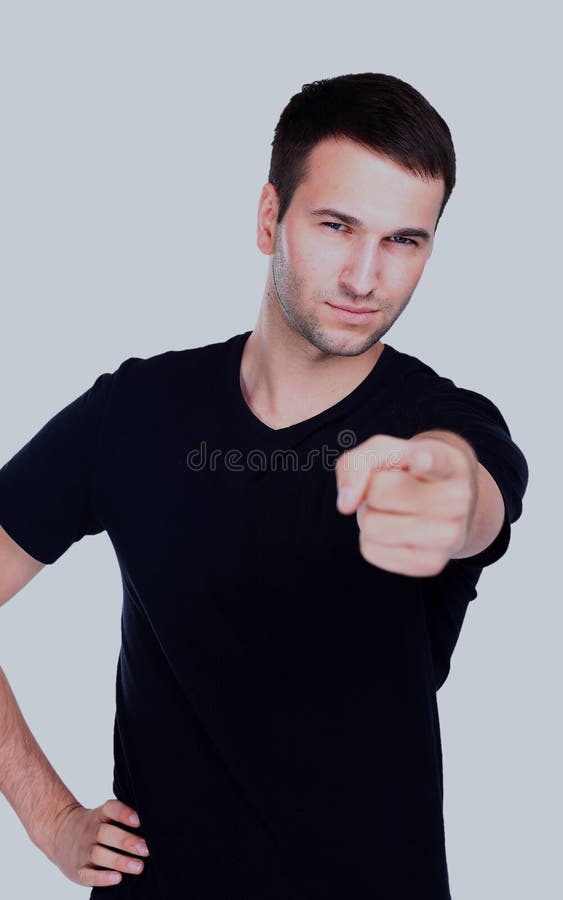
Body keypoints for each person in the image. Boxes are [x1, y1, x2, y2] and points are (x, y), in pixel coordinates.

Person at [0, 72, 528, 899]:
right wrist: (50, 820)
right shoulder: (135, 413)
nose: (364, 277)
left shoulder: (445, 423)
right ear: (268, 218)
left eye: (404, 241)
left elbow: (475, 495)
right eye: (336, 225)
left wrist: (451, 498)